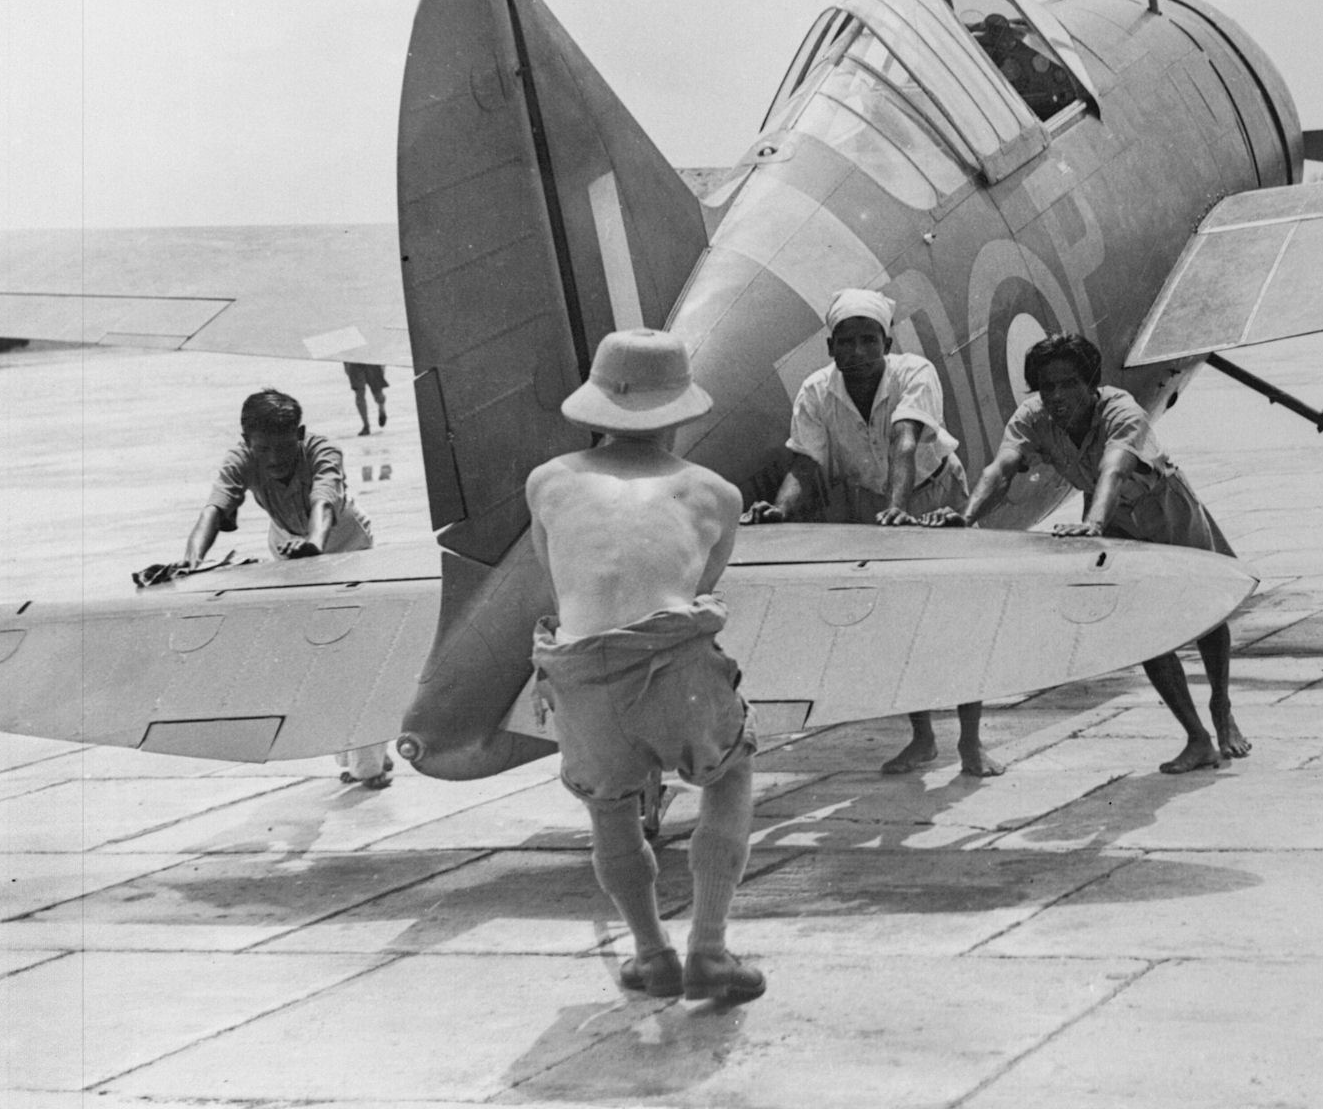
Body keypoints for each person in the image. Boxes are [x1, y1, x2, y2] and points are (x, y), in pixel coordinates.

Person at [524, 328, 764, 1003]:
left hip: (579, 670)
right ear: (682, 409)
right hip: (671, 669)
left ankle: (651, 954)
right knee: (731, 771)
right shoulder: (715, 493)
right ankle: (710, 948)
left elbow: (557, 581)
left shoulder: (547, 483)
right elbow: (699, 588)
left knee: (611, 808)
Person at [923, 333, 1250, 774]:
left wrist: (1093, 524)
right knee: (1143, 633)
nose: (1057, 396)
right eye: (1047, 387)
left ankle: (1221, 705)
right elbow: (1001, 469)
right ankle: (1197, 737)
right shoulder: (1034, 416)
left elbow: (1113, 470)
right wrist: (965, 517)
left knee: (1207, 612)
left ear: (1091, 383)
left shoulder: (1121, 410)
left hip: (1161, 504)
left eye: (1069, 384)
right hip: (1107, 516)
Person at [744, 289, 1001, 778]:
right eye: (846, 342)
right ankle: (922, 737)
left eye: (868, 340)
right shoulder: (816, 391)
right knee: (895, 624)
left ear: (887, 341)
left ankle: (971, 742)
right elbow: (806, 460)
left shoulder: (914, 373)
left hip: (930, 492)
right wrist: (778, 513)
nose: (858, 352)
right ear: (830, 347)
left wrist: (898, 510)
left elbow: (904, 442)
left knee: (959, 620)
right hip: (871, 503)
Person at [178, 388, 387, 785]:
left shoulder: (323, 451)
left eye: (283, 447)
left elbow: (324, 504)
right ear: (246, 443)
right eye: (262, 449)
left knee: (353, 648)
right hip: (288, 544)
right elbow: (214, 508)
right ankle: (360, 752)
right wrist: (191, 563)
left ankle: (371, 764)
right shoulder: (241, 459)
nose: (273, 459)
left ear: (301, 434)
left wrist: (314, 545)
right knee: (318, 653)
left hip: (343, 541)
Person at [343, 362, 388, 436]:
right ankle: (366, 425)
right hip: (354, 363)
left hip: (370, 360)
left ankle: (381, 408)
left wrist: (382, 363)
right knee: (359, 394)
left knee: (378, 393)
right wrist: (345, 364)